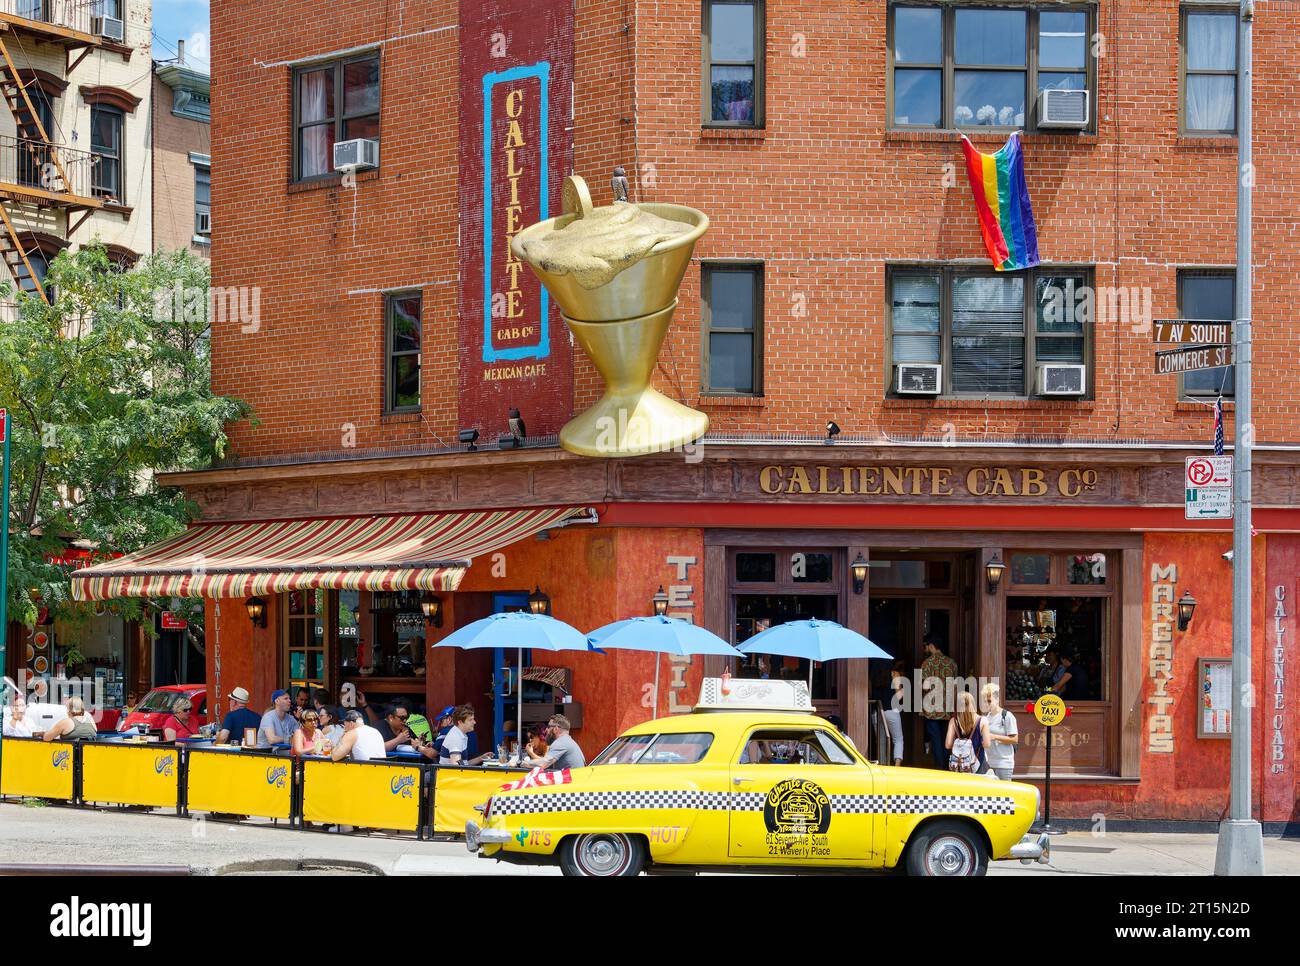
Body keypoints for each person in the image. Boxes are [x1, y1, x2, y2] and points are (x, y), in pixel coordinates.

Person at [920, 633, 959, 769]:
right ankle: (949, 766)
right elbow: (955, 687)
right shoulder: (952, 663)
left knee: (936, 740)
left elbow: (924, 686)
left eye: (926, 646)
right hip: (947, 709)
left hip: (931, 710)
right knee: (947, 739)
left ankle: (940, 768)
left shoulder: (926, 663)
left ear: (931, 646)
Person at [945, 690, 988, 774]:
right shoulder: (982, 720)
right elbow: (987, 744)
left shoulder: (953, 721)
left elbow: (948, 745)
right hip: (977, 764)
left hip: (960, 766)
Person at [981, 682, 1018, 781]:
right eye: (984, 701)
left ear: (997, 699)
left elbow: (1015, 739)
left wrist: (994, 737)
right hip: (988, 763)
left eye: (989, 701)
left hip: (1004, 763)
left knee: (1005, 794)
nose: (987, 704)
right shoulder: (986, 718)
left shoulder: (1007, 716)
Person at [883, 660, 906, 766]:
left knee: (882, 738)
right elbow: (897, 697)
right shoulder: (895, 675)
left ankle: (883, 763)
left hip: (878, 710)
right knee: (898, 740)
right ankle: (897, 766)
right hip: (892, 711)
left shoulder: (878, 675)